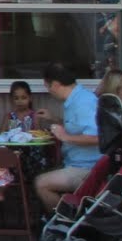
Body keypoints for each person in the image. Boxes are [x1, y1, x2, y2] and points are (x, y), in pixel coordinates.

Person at [34, 62, 102, 212]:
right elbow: (78, 127)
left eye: (48, 86)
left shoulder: (83, 103)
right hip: (74, 162)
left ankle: (64, 222)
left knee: (41, 183)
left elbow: (97, 137)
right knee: (41, 170)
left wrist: (65, 137)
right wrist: (55, 119)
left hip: (87, 169)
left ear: (57, 84)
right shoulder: (74, 100)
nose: (49, 91)